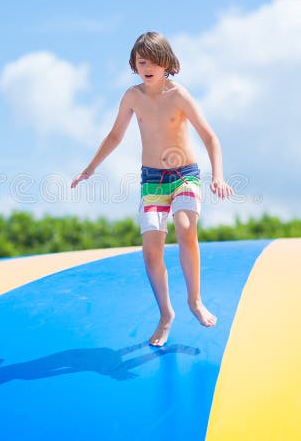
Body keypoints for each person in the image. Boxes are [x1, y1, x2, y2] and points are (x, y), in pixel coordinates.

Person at [71, 31, 234, 347]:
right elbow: (115, 136)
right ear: (134, 64)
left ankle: (195, 300)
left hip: (184, 175)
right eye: (141, 62)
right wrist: (90, 168)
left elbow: (210, 137)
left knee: (185, 227)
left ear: (166, 64)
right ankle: (165, 314)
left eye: (153, 62)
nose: (147, 68)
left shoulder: (179, 95)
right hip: (152, 181)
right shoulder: (132, 97)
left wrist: (218, 176)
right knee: (151, 251)